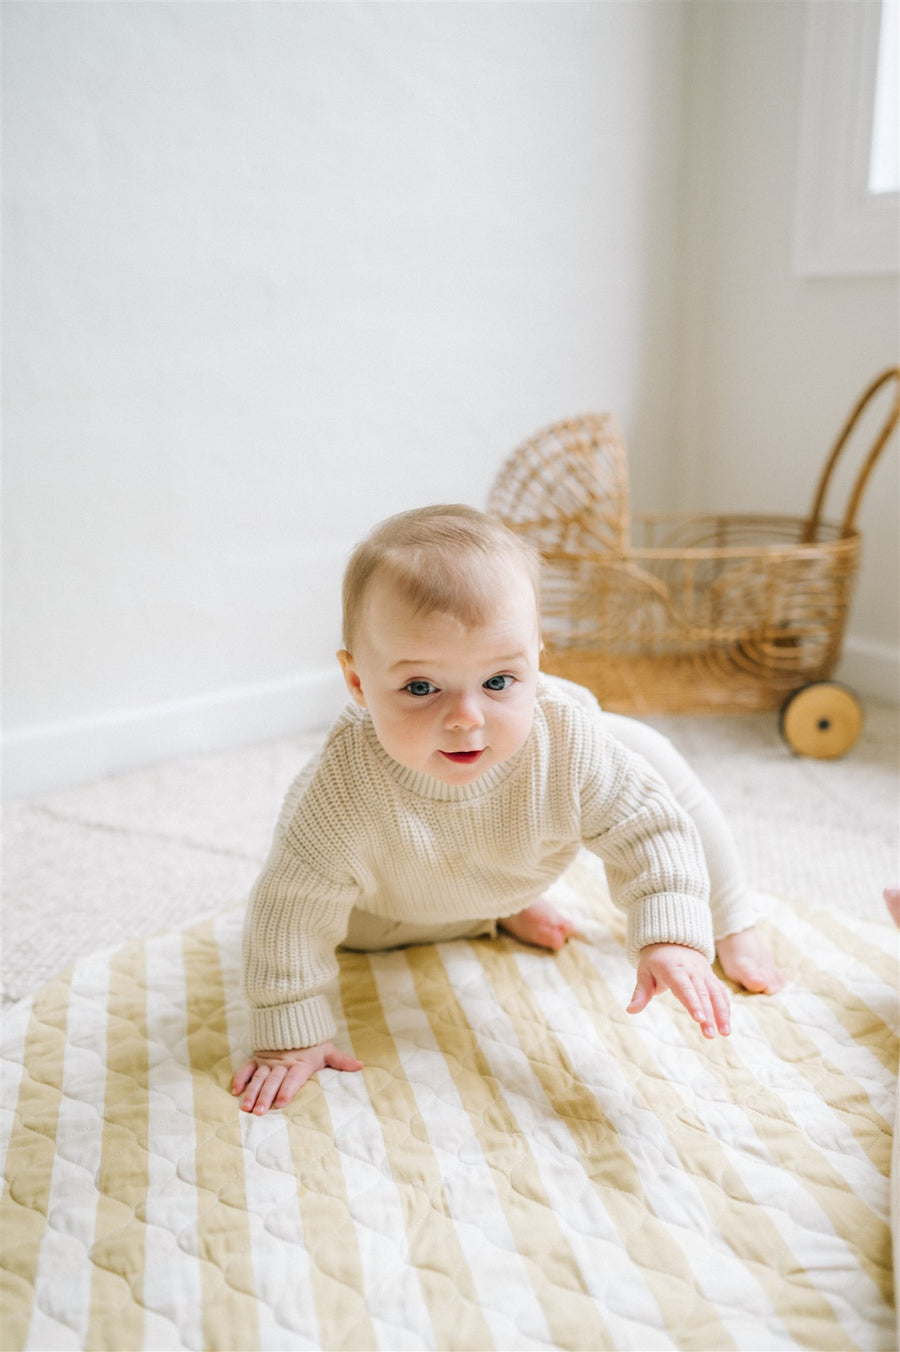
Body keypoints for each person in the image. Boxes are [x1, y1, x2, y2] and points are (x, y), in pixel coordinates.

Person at [234, 504, 782, 1116]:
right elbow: (290, 907)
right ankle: (493, 913)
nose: (465, 718)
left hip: (510, 861)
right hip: (385, 911)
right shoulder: (342, 787)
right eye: (421, 688)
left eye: (498, 682)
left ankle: (730, 920)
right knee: (347, 931)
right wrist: (288, 1034)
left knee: (647, 759)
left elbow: (649, 828)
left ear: (537, 660)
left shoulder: (564, 739)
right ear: (359, 683)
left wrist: (671, 933)